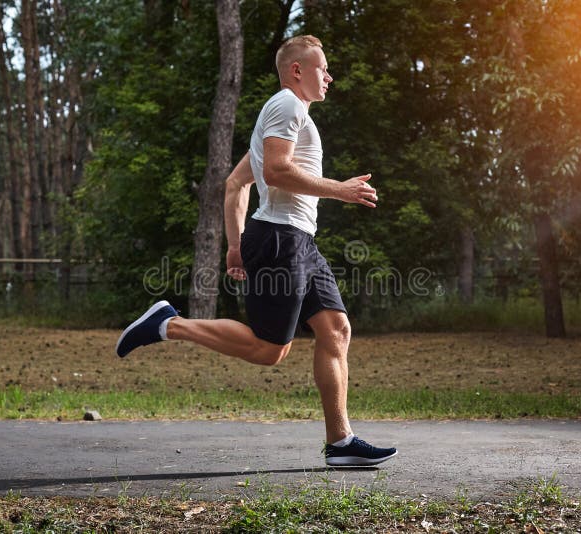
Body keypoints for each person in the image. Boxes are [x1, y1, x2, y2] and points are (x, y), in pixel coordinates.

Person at [116, 35, 397, 467]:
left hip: (294, 239)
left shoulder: (289, 115)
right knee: (269, 349)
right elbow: (278, 170)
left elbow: (236, 183)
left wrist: (234, 246)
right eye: (323, 68)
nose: (330, 76)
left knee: (336, 330)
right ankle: (169, 324)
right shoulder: (286, 106)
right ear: (298, 71)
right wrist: (339, 190)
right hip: (282, 239)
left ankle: (340, 442)